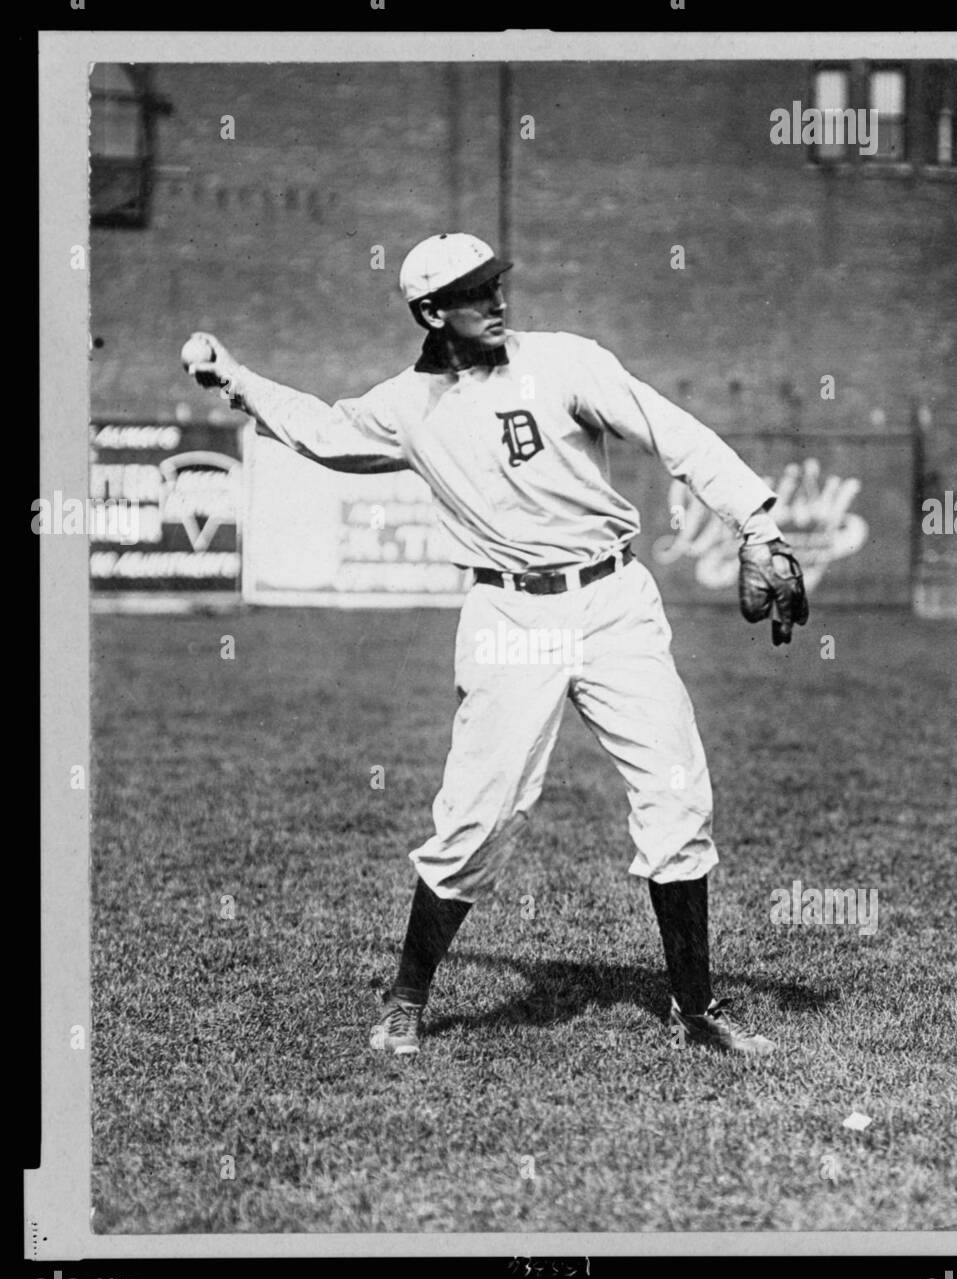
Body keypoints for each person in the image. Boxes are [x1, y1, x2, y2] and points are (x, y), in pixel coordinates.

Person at [184, 232, 808, 1059]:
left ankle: (696, 1008)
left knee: (677, 797)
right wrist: (235, 378)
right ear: (432, 312)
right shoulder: (407, 408)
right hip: (510, 618)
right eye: (476, 292)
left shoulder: (563, 361)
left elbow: (673, 432)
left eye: (497, 283)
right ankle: (406, 996)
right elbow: (321, 433)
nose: (497, 300)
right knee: (478, 818)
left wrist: (757, 526)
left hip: (614, 600)